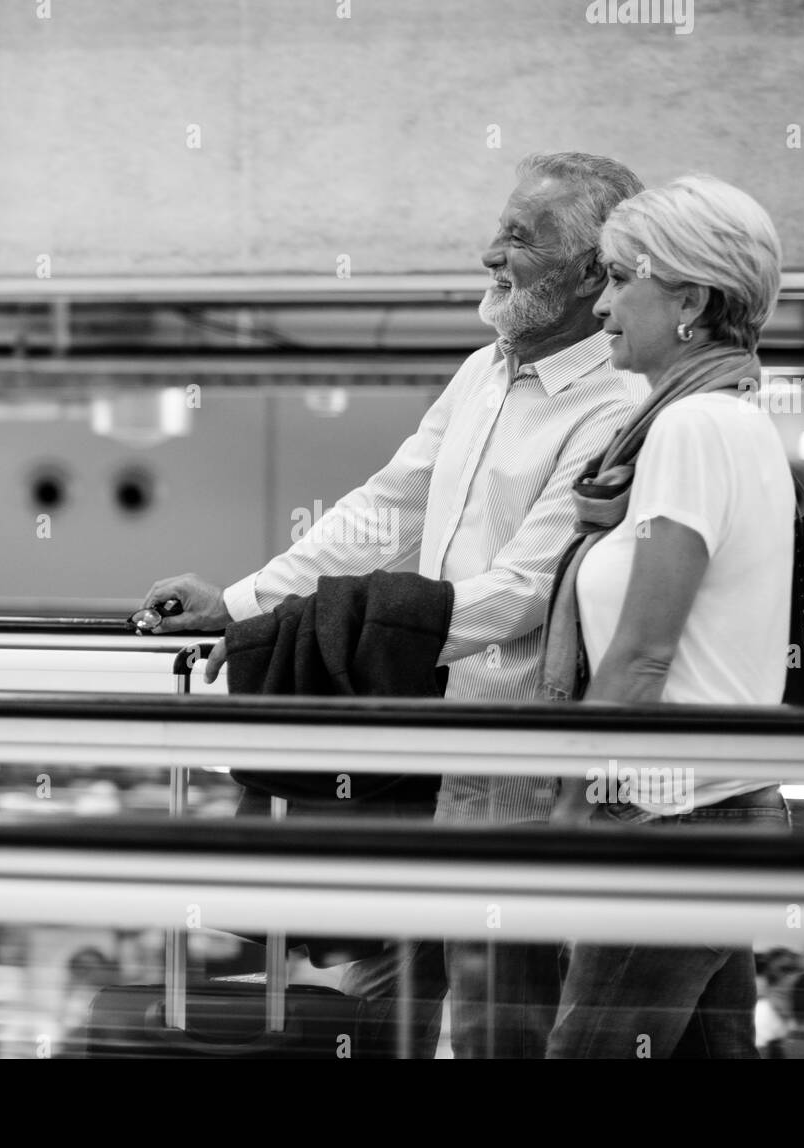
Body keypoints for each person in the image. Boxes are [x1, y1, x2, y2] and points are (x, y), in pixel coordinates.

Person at [133, 151, 648, 1058]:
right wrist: (247, 604)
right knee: (447, 1008)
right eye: (499, 229)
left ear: (589, 273)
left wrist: (338, 627)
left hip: (531, 764)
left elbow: (524, 594)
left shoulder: (617, 404)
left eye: (518, 238)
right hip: (444, 747)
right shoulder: (485, 370)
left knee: (506, 1017)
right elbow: (386, 512)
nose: (491, 252)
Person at [539, 174, 793, 1058]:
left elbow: (644, 654)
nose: (601, 304)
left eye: (618, 278)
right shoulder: (727, 420)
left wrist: (574, 806)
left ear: (689, 296)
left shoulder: (692, 430)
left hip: (674, 816)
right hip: (714, 804)